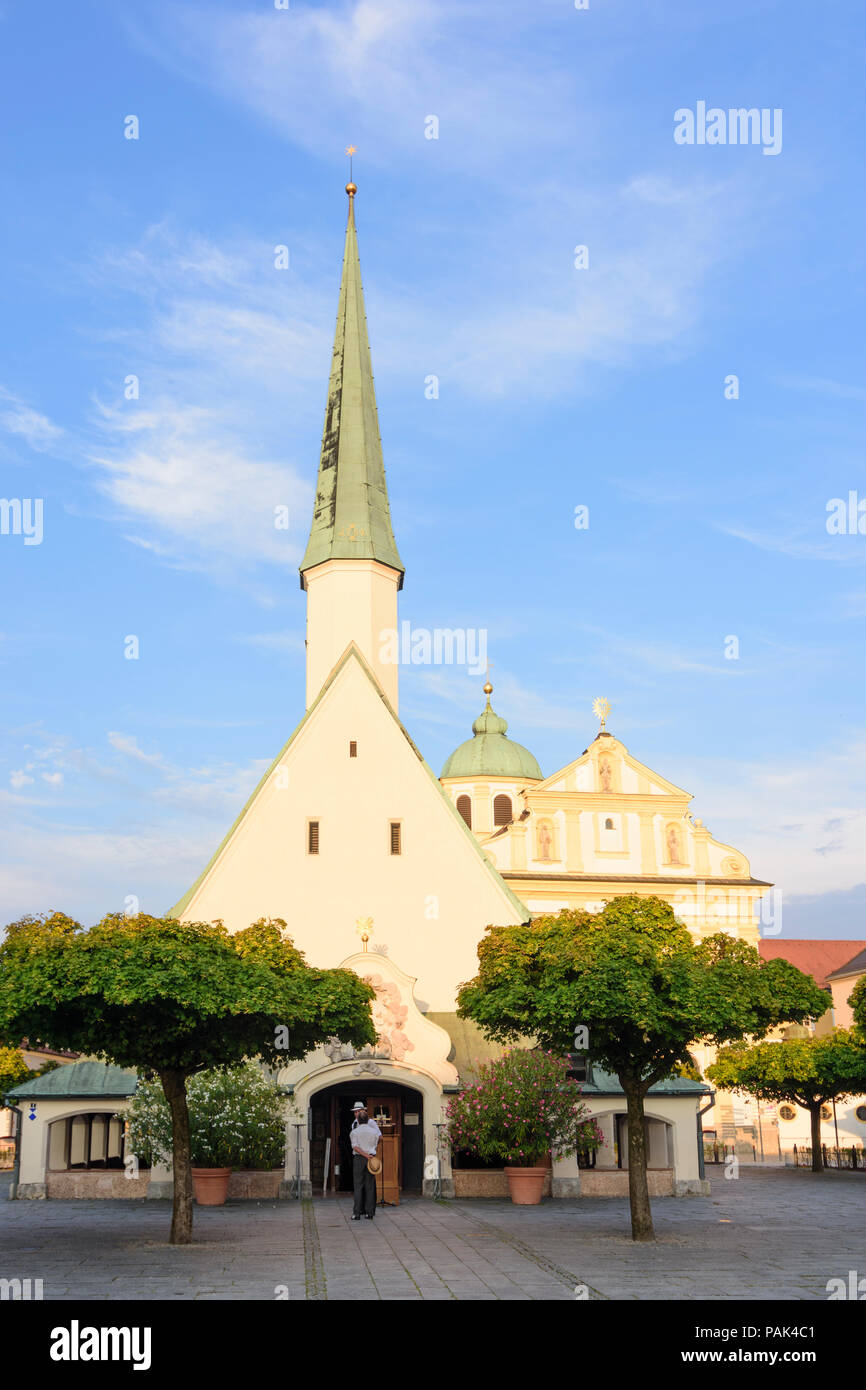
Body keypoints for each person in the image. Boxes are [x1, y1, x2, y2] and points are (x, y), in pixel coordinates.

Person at [349, 1102, 381, 1220]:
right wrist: (370, 1153)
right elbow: (377, 1141)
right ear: (367, 1119)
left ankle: (356, 1213)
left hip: (359, 1158)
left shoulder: (354, 1132)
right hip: (371, 1158)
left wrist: (364, 1154)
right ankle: (370, 1212)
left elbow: (355, 1147)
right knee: (370, 1186)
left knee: (358, 1186)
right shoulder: (374, 1132)